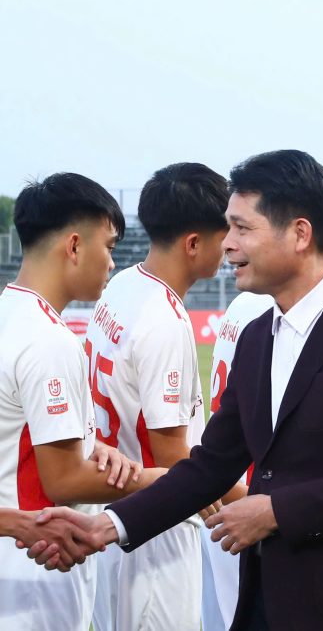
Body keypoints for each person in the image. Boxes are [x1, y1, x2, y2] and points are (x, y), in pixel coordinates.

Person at [35, 150, 323, 630]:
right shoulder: (258, 335)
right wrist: (108, 526)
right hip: (266, 601)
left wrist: (277, 511)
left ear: (300, 234)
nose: (228, 244)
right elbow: (210, 465)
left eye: (242, 228)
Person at [199, 189, 323, 631]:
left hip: (253, 514)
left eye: (241, 228)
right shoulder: (263, 317)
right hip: (248, 513)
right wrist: (113, 524)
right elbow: (215, 456)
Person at [0, 173, 155, 631]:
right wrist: (169, 482)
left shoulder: (10, 314)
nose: (111, 262)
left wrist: (92, 445)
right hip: (35, 571)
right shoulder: (48, 340)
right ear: (73, 246)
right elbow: (64, 479)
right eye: (108, 246)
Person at [86, 163, 231, 631]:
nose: (231, 246)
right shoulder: (164, 320)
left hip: (117, 511)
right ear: (194, 243)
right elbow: (172, 455)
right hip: (158, 530)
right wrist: (258, 501)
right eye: (225, 234)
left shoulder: (123, 283)